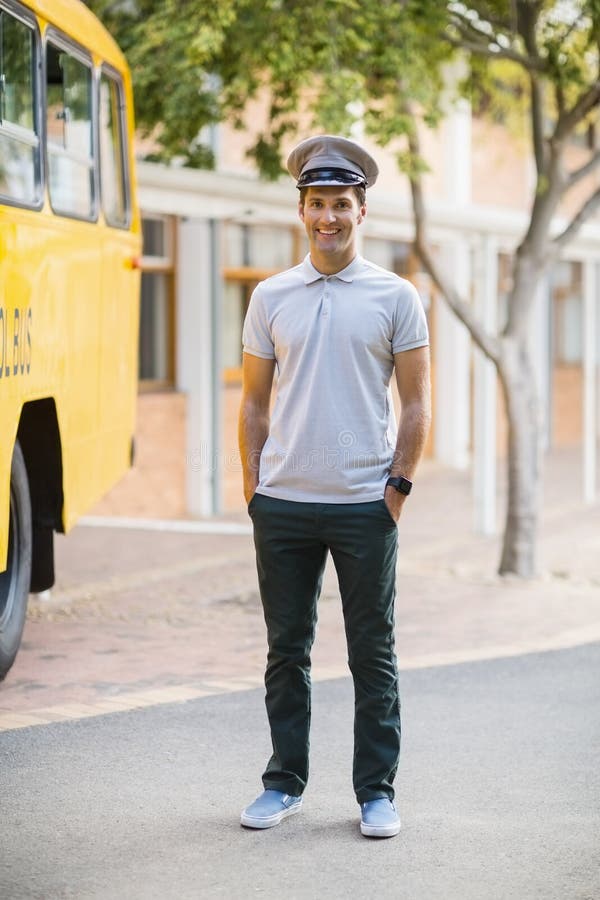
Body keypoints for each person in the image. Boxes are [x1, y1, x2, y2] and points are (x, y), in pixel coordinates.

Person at [238, 134, 431, 838]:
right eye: (317, 203)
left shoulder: (395, 296)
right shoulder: (271, 296)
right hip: (284, 504)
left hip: (362, 506)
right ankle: (283, 782)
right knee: (286, 651)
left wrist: (397, 491)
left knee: (370, 652)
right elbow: (255, 403)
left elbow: (417, 403)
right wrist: (254, 489)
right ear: (301, 210)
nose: (329, 217)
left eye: (341, 204)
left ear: (361, 210)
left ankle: (376, 794)